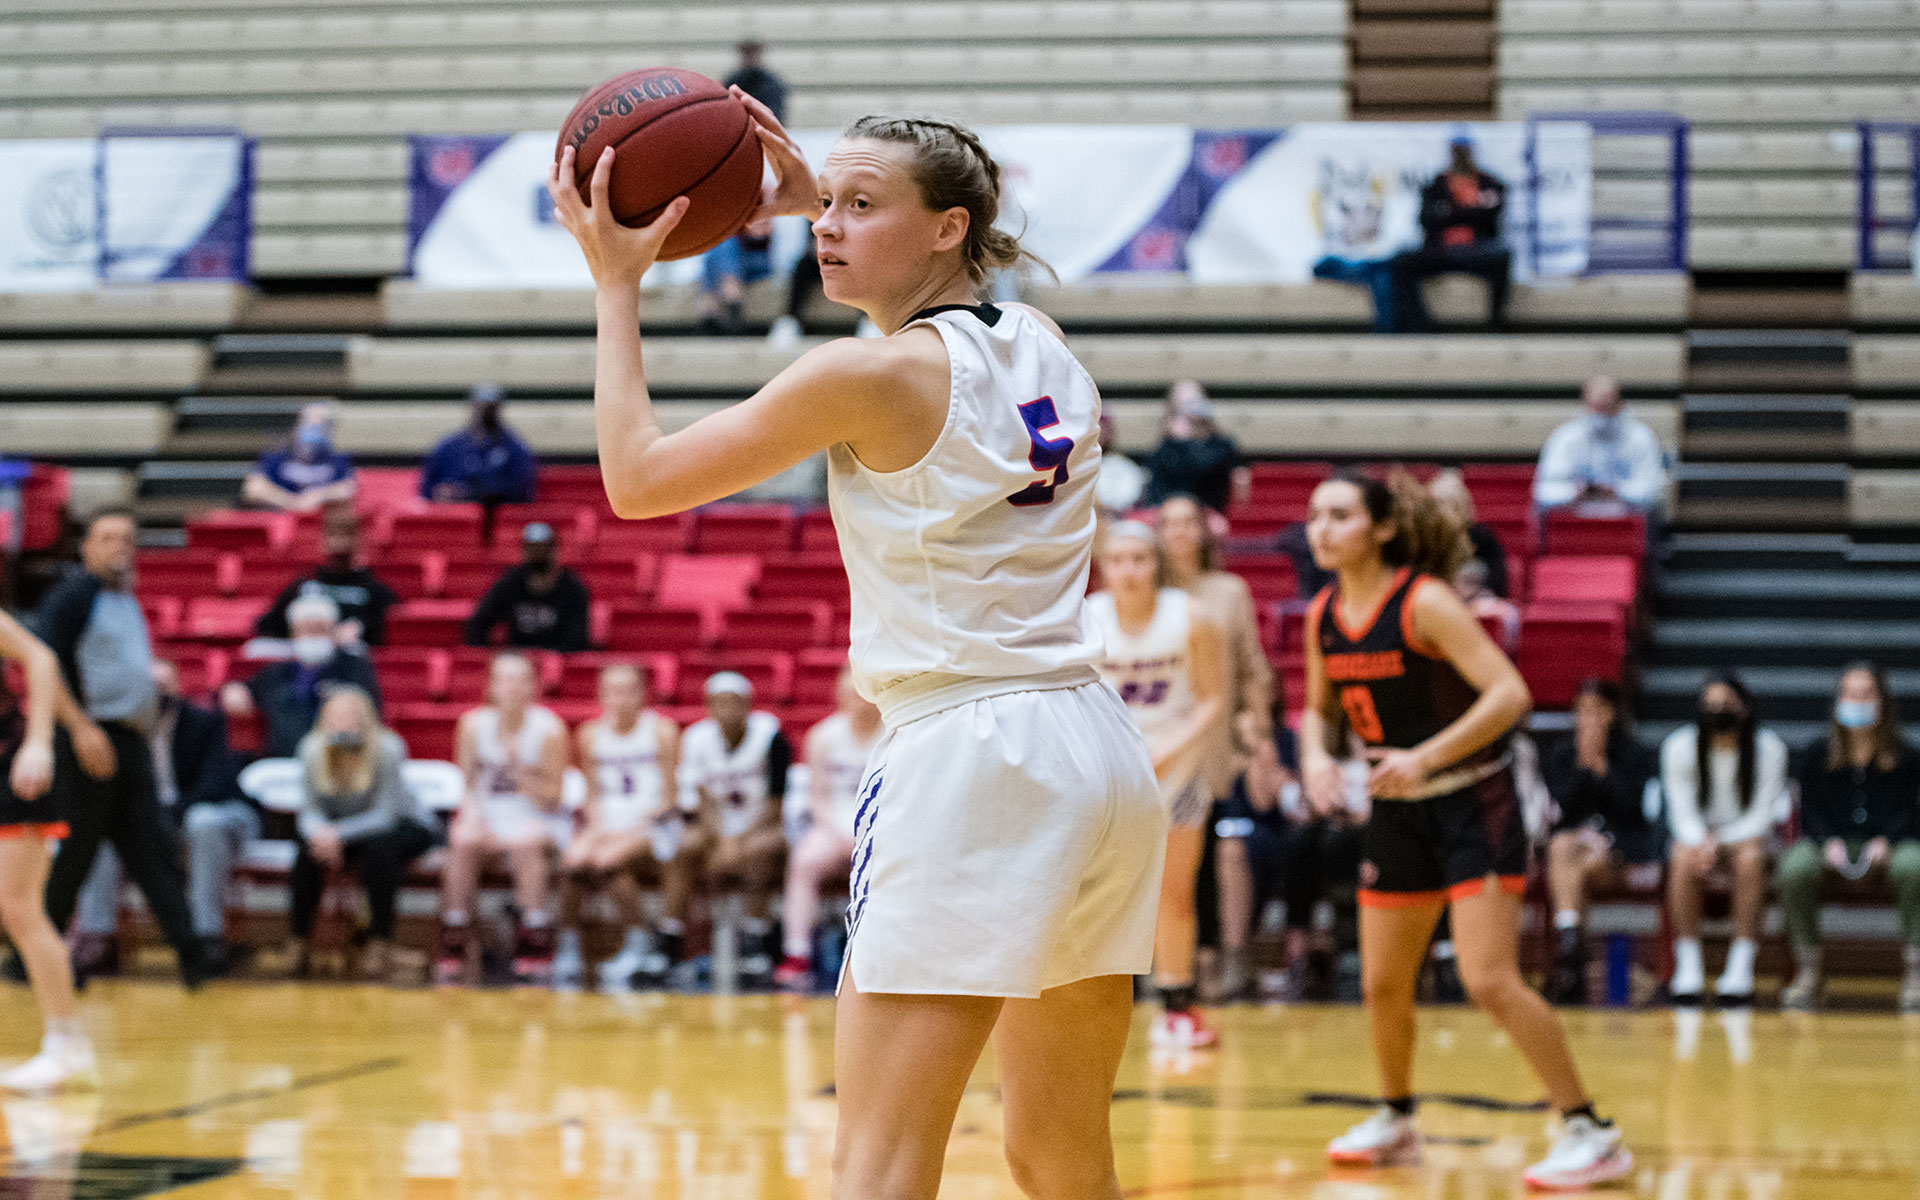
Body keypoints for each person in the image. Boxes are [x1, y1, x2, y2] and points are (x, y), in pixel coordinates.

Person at [547, 98, 1164, 1200]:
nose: (826, 227)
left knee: (878, 1166)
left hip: (971, 755)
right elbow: (954, 332)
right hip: (1096, 751)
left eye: (860, 207)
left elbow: (636, 481)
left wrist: (615, 285)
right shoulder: (1043, 342)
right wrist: (804, 202)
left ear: (948, 227)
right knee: (1062, 1157)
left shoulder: (865, 378)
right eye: (824, 204)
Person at [1299, 472, 1629, 1189]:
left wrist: (1423, 756)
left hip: (1475, 800)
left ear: (1382, 529)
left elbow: (1509, 695)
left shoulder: (1425, 602)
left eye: (1339, 515)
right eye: (1315, 516)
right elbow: (1316, 714)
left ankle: (1590, 1129)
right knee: (1384, 982)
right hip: (1396, 809)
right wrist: (1318, 761)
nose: (1320, 529)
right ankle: (1395, 1117)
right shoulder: (1323, 612)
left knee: (1488, 980)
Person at [34, 509, 213, 987]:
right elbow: (44, 665)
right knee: (76, 853)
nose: (119, 547)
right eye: (108, 538)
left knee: (150, 849)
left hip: (129, 743)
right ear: (86, 546)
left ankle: (192, 955)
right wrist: (79, 729)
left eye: (127, 540)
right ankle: (38, 956)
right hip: (90, 739)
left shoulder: (124, 599)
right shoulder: (74, 596)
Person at [1090, 522, 1228, 1046]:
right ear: (1104, 566)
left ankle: (1176, 1005)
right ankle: (1097, 998)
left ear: (1156, 564)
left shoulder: (1191, 618)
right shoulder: (1085, 620)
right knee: (1098, 891)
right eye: (1118, 560)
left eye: (1139, 559)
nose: (1129, 570)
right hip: (1107, 770)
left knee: (1174, 895)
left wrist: (1170, 749)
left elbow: (1214, 697)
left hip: (1177, 766)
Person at [1156, 493, 1275, 999]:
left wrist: (1259, 731)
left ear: (1205, 531)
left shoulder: (1229, 591)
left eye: (1189, 523)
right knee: (1161, 859)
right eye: (1170, 524)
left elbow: (1252, 667)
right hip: (1156, 743)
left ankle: (1216, 958)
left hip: (1214, 739)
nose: (1180, 532)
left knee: (1208, 852)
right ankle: (1167, 965)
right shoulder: (1145, 588)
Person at [71, 659, 254, 978]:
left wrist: (167, 814)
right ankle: (97, 936)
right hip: (150, 818)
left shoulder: (205, 721)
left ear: (178, 688)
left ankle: (206, 936)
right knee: (102, 832)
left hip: (213, 810)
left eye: (164, 686)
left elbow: (214, 782)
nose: (157, 693)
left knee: (203, 823)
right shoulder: (123, 729)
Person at [0, 611, 113, 1092]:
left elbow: (41, 658)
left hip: (14, 768)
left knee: (20, 907)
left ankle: (68, 1045)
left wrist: (42, 741)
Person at [1778, 663, 1920, 1012]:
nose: (1857, 701)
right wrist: (1827, 842)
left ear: (1881, 701)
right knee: (1795, 867)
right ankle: (1809, 970)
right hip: (1832, 845)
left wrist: (1888, 839)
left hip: (1890, 845)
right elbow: (1808, 811)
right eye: (1850, 694)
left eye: (1865, 694)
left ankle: (1916, 971)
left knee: (1913, 865)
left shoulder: (1906, 755)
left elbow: (1912, 809)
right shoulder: (1816, 754)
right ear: (1839, 701)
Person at [287, 686, 437, 984]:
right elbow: (308, 810)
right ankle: (298, 941)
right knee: (306, 850)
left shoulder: (387, 747)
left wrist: (338, 835)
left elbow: (386, 815)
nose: (342, 723)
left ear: (365, 718)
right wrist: (321, 834)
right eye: (335, 716)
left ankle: (379, 941)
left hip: (401, 825)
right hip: (343, 830)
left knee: (380, 851)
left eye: (349, 716)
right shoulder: (310, 748)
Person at [552, 662, 688, 991]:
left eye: (628, 690)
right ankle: (568, 947)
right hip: (608, 825)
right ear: (600, 695)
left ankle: (638, 944)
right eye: (612, 691)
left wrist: (627, 833)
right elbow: (593, 795)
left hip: (653, 826)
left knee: (606, 862)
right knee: (573, 862)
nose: (620, 698)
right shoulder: (589, 734)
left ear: (643, 694)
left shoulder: (662, 731)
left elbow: (671, 798)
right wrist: (597, 830)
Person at [436, 653, 569, 985]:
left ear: (533, 686)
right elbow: (468, 786)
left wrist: (519, 769)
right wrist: (474, 818)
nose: (512, 688)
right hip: (489, 815)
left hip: (536, 816)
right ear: (491, 686)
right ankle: (455, 927)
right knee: (462, 837)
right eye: (504, 680)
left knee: (526, 841)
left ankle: (534, 932)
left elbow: (554, 799)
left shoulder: (549, 729)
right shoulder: (472, 725)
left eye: (521, 680)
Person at [1660, 671, 1788, 1005]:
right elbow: (1681, 813)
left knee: (1750, 857)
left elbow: (1761, 817)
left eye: (1726, 704)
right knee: (1681, 854)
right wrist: (1702, 843)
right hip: (1698, 844)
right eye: (1710, 704)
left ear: (1744, 708)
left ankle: (1740, 967)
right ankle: (1687, 966)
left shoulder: (1769, 749)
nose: (1718, 711)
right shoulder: (1678, 747)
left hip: (1750, 843)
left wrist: (1719, 842)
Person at [1540, 679, 1662, 1006]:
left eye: (1596, 710)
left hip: (1618, 854)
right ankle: (1571, 946)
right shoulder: (1562, 753)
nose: (1588, 718)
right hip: (1574, 848)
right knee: (1562, 847)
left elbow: (1640, 813)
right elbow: (1557, 812)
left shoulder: (1635, 753)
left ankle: (1571, 952)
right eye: (1582, 710)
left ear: (1612, 713)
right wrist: (1582, 767)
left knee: (1576, 866)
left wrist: (1601, 769)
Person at [678, 671, 791, 987]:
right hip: (715, 830)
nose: (727, 709)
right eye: (719, 703)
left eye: (734, 702)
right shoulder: (695, 739)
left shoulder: (772, 737)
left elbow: (775, 804)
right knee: (685, 849)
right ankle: (685, 944)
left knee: (762, 851)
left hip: (761, 826)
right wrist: (723, 840)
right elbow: (701, 801)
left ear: (748, 705)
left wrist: (739, 841)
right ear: (709, 707)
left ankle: (754, 940)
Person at [775, 665, 882, 992]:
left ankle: (884, 956)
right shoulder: (822, 736)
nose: (857, 703)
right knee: (804, 862)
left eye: (862, 695)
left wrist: (867, 836)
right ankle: (797, 954)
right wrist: (839, 834)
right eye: (850, 696)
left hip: (883, 828)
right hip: (833, 825)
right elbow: (816, 798)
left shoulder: (895, 734)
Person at [222, 594, 382, 758]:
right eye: (306, 629)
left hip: (339, 760)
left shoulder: (354, 667)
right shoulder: (278, 671)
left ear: (333, 630)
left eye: (319, 629)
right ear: (294, 633)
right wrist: (233, 690)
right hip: (284, 760)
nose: (312, 636)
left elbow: (370, 711)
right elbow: (242, 690)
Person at [1387, 137, 1511, 332]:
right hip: (1442, 251)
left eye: (1464, 150)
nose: (1461, 155)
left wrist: (1449, 212)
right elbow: (1426, 219)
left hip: (1475, 250)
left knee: (1503, 257)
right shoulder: (1437, 184)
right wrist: (1471, 210)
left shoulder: (1489, 182)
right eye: (1457, 150)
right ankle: (1420, 326)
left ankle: (1494, 327)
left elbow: (1491, 217)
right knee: (1401, 262)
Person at [254, 503, 398, 647]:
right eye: (333, 533)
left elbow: (392, 627)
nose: (340, 541)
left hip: (352, 660)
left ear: (359, 539)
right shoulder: (305, 584)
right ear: (323, 537)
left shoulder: (374, 590)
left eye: (347, 533)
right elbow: (268, 625)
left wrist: (362, 628)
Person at [1534, 375, 1667, 517]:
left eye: (1607, 407)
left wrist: (1617, 491)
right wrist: (1575, 492)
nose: (1602, 416)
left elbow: (1652, 493)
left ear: (1619, 405)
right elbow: (1543, 493)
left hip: (1627, 526)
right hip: (1575, 527)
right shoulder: (1566, 438)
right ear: (1586, 405)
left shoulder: (1640, 437)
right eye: (1597, 408)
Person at [462, 522, 590, 652]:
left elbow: (577, 638)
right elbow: (479, 623)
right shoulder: (509, 583)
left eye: (543, 549)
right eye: (532, 549)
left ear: (554, 550)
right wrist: (489, 654)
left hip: (557, 658)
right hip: (517, 659)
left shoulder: (573, 588)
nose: (537, 554)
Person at [419, 384, 537, 505]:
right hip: (455, 516)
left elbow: (520, 491)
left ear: (499, 411)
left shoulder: (515, 448)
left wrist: (466, 492)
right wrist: (441, 492)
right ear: (472, 408)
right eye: (481, 408)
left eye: (490, 409)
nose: (485, 414)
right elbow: (426, 489)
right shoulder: (448, 447)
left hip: (499, 516)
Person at [1141, 381, 1249, 512]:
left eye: (1194, 401)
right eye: (1184, 404)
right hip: (1170, 512)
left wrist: (1185, 442)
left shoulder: (1220, 445)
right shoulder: (1165, 448)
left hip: (1208, 512)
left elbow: (1205, 470)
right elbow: (1157, 488)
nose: (1191, 408)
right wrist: (1177, 442)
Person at [242, 402, 357, 513]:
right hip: (281, 517)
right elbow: (253, 488)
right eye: (308, 420)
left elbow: (350, 489)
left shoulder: (338, 458)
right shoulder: (276, 455)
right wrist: (290, 502)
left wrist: (318, 496)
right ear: (297, 424)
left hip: (319, 520)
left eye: (321, 422)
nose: (314, 425)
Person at [1428, 468, 1508, 599]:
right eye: (1437, 504)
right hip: (1439, 600)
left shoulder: (1482, 537)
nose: (1442, 510)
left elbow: (1497, 578)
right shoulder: (1428, 539)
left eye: (1447, 503)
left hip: (1478, 599)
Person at [1093, 411, 1148, 515]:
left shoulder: (1121, 466)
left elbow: (1130, 497)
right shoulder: (1071, 466)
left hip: (1118, 518)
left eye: (1100, 429)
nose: (1097, 435)